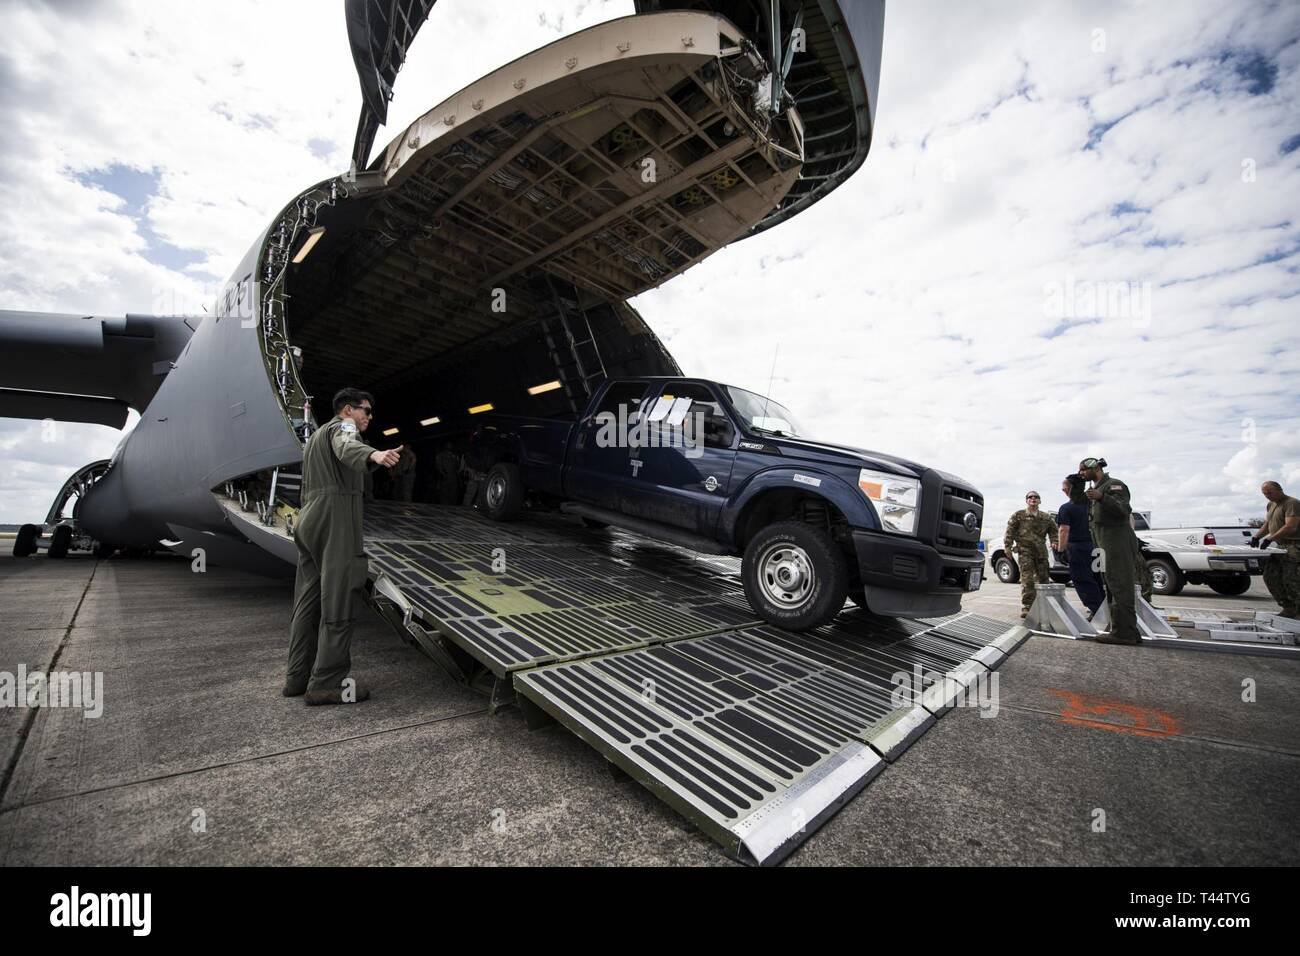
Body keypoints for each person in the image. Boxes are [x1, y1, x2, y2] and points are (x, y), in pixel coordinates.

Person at [284, 387, 402, 704]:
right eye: (366, 410)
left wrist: (371, 458)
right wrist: (373, 454)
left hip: (309, 518)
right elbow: (347, 446)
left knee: (307, 602)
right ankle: (327, 682)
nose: (369, 417)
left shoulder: (315, 438)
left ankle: (296, 677)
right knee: (338, 596)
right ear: (348, 409)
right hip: (335, 518)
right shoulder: (343, 427)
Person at [1080, 456, 1140, 645]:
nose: (1081, 473)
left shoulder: (1114, 485)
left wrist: (1102, 498)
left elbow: (1123, 510)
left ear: (1095, 468)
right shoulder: (1095, 488)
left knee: (1121, 586)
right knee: (1113, 586)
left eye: (1083, 470)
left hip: (1117, 542)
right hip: (1105, 543)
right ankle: (1123, 630)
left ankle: (1126, 633)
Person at [1004, 491, 1059, 619]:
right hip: (1025, 551)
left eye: (1036, 497)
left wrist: (1055, 541)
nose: (1033, 499)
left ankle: (1044, 605)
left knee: (1044, 579)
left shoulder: (1046, 517)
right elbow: (1010, 531)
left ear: (1039, 501)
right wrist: (1007, 547)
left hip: (1041, 552)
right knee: (1027, 580)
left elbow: (1053, 531)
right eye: (1030, 497)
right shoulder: (1019, 515)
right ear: (1027, 501)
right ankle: (1027, 607)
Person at [1057, 474, 1105, 616]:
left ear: (1071, 488)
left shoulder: (1067, 508)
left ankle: (1098, 612)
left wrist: (1061, 550)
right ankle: (1106, 609)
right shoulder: (1094, 504)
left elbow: (1064, 530)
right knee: (1098, 580)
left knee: (1082, 580)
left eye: (1064, 487)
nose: (1063, 490)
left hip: (1078, 548)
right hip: (1097, 547)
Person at [1252, 480, 1300, 618]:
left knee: (1291, 579)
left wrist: (1270, 539)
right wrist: (1257, 537)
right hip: (1280, 546)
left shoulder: (1292, 503)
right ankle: (1288, 607)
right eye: (1265, 494)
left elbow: (1291, 526)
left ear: (1280, 490)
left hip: (1294, 546)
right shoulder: (1271, 505)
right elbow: (1268, 524)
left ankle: (1298, 609)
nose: (1268, 496)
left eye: (1270, 493)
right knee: (1270, 576)